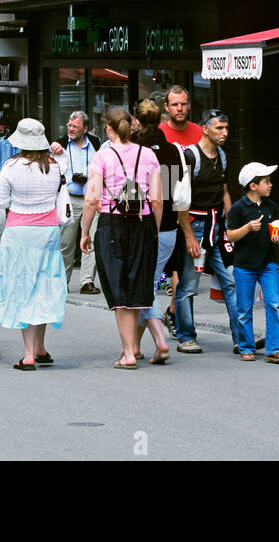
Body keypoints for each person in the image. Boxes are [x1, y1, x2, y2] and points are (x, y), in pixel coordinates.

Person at [80, 105, 165, 369]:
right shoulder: (149, 155)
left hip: (112, 223)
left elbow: (92, 199)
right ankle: (131, 349)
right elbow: (158, 198)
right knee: (138, 286)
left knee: (118, 289)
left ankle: (128, 352)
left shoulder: (102, 157)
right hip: (143, 223)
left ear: (108, 128)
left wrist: (84, 231)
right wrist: (155, 229)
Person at [0, 118, 69, 370]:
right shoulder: (54, 167)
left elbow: (0, 202)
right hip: (48, 231)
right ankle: (41, 348)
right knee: (43, 284)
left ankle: (29, 354)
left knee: (23, 287)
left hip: (18, 231)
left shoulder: (11, 167)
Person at [173, 109, 244, 355]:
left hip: (218, 226)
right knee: (189, 284)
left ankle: (241, 338)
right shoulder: (190, 156)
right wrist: (189, 235)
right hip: (196, 225)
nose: (225, 133)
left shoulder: (223, 156)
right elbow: (179, 199)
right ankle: (186, 336)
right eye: (219, 129)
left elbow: (223, 191)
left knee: (232, 282)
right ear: (205, 128)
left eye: (226, 128)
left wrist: (232, 221)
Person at [131, 100, 185, 353]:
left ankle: (154, 340)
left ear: (137, 121)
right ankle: (134, 345)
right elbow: (179, 189)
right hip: (169, 225)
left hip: (141, 223)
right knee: (149, 283)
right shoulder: (173, 150)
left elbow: (132, 189)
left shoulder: (134, 149)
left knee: (144, 286)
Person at [224, 163, 279, 362]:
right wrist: (247, 228)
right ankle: (245, 346)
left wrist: (278, 238)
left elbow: (276, 230)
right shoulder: (238, 208)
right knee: (244, 309)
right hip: (244, 265)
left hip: (268, 262)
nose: (270, 185)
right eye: (266, 181)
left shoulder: (271, 206)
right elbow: (230, 235)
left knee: (275, 304)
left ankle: (275, 348)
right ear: (253, 186)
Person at [57, 111, 101, 295]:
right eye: (69, 125)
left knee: (91, 240)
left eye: (75, 126)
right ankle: (62, 281)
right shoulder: (60, 144)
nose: (70, 129)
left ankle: (87, 281)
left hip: (92, 198)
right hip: (71, 198)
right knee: (66, 242)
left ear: (85, 128)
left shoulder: (96, 143)